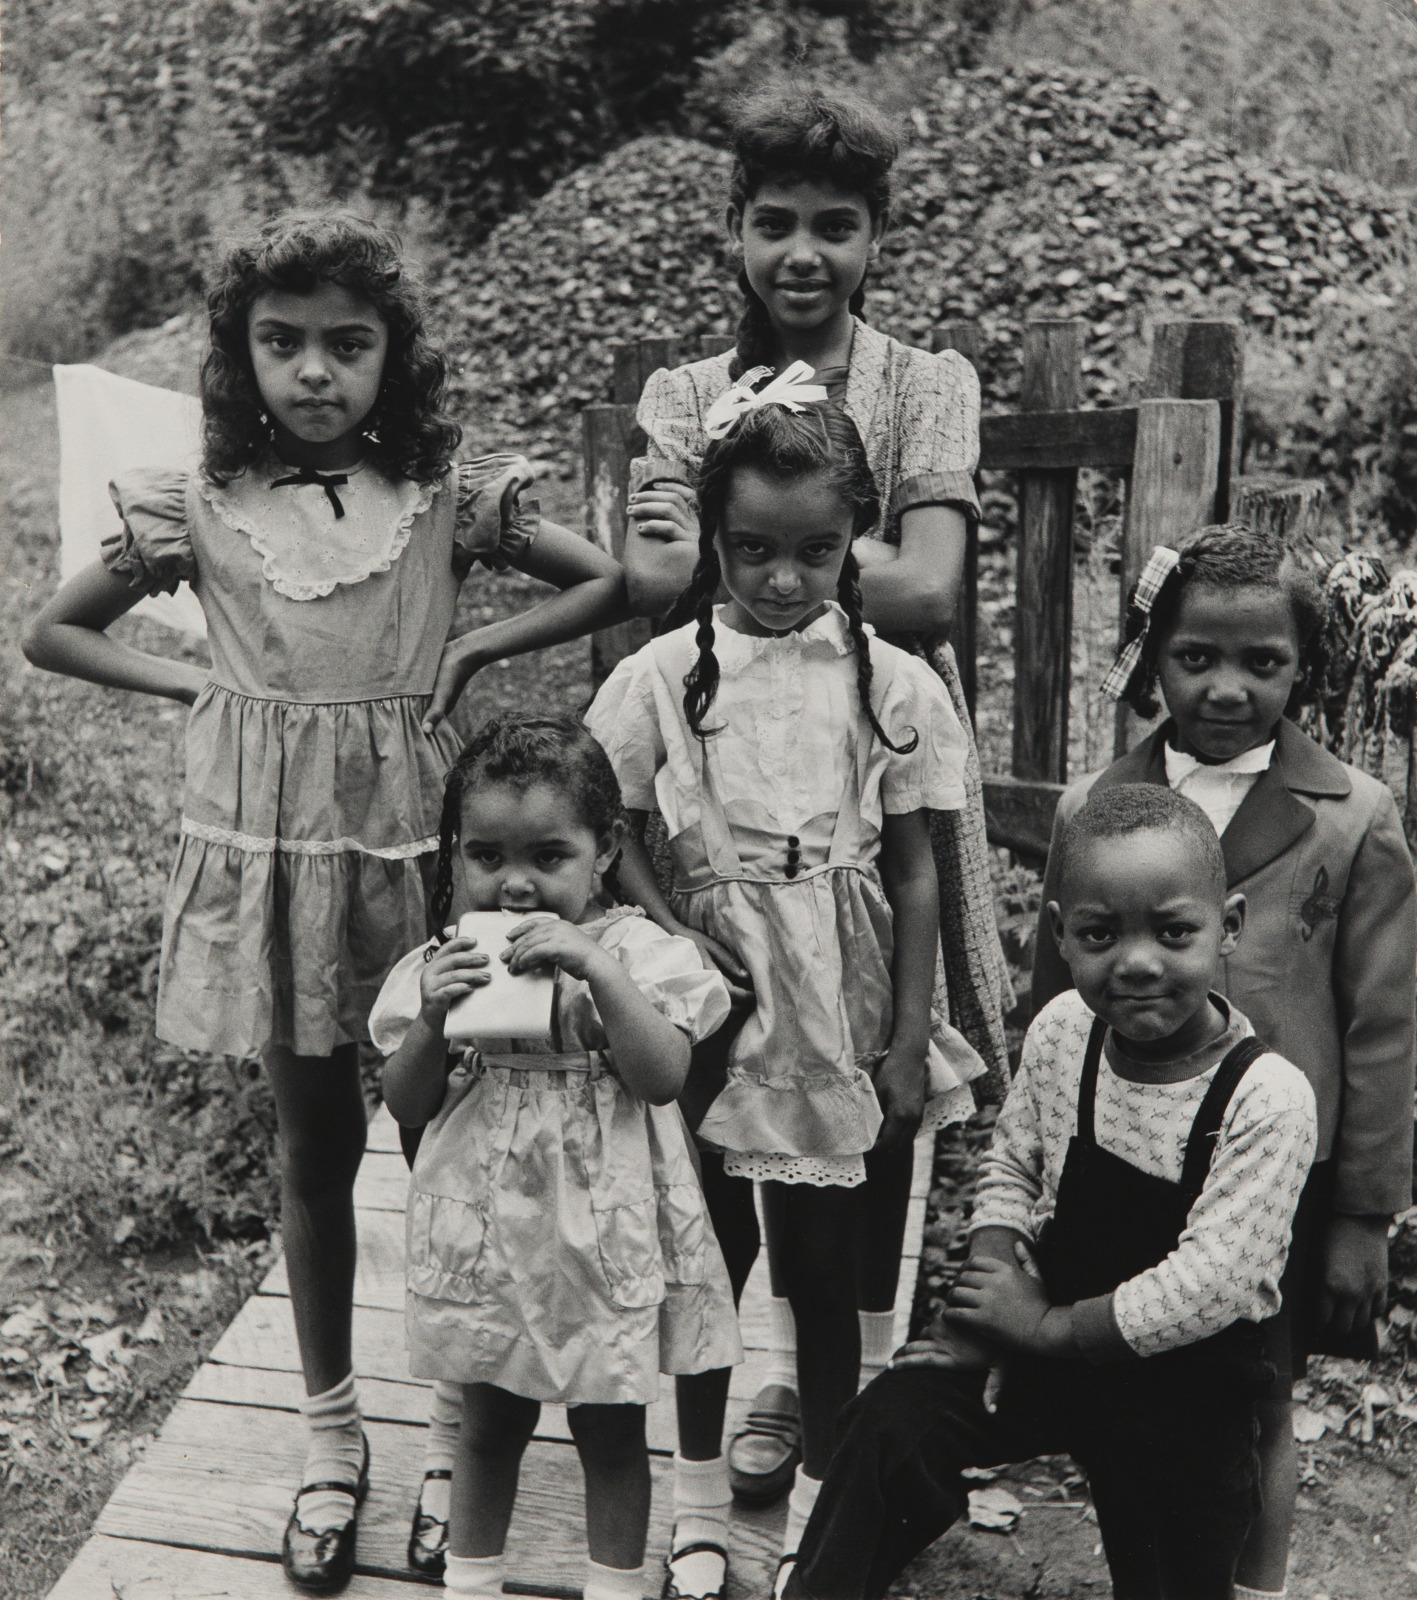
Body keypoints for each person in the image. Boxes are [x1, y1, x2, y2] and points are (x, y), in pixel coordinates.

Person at [20, 213, 625, 1594]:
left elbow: (601, 575)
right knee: (309, 1154)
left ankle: (451, 1441)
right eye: (281, 342)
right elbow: (54, 630)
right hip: (273, 861)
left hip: (410, 857)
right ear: (240, 354)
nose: (314, 373)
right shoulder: (203, 501)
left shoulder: (437, 494)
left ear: (389, 355)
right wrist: (206, 690)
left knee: (443, 1147)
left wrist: (470, 644)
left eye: (347, 345)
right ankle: (328, 1436)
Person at [616, 83, 1010, 1582]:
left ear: (874, 239)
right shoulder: (678, 388)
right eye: (772, 221)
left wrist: (772, 560)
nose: (801, 251)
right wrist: (818, 553)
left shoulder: (924, 383)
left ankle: (843, 1410)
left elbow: (925, 591)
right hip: (723, 802)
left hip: (872, 783)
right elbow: (664, 577)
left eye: (833, 226)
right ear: (732, 227)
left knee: (870, 1102)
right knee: (729, 1106)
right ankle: (755, 1402)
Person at [587, 392, 986, 1598]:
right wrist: (672, 936)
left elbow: (916, 875)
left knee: (823, 1270)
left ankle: (820, 1511)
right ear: (713, 538)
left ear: (855, 539)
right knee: (706, 1264)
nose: (779, 577)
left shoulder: (894, 682)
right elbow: (604, 829)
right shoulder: (661, 676)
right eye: (752, 549)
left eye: (814, 551)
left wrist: (909, 1039)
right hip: (712, 1008)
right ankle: (699, 1506)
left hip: (841, 1000)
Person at [785, 783, 1318, 1600]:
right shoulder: (1065, 1030)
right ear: (1061, 932)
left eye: (1174, 932)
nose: (1136, 961)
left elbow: (1208, 1286)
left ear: (1229, 929)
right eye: (1100, 933)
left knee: (1175, 1570)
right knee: (895, 1420)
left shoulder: (1265, 1098)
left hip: (1183, 1389)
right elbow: (1014, 1165)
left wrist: (1038, 1328)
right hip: (1043, 1344)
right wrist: (985, 1315)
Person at [1031, 524, 1417, 1599]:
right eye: (1195, 656)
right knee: (1139, 1388)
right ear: (1153, 655)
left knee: (1254, 1397)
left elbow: (1383, 1027)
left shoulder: (1354, 819)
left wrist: (1361, 1218)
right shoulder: (1089, 811)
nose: (1227, 686)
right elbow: (1054, 1008)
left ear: (1305, 666)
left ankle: (1255, 1588)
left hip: (1279, 1176)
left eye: (1263, 661)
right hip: (1127, 1163)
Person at [371, 715, 742, 1600]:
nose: (516, 886)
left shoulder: (642, 956)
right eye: (487, 857)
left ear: (604, 848)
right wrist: (431, 1018)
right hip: (492, 1237)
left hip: (602, 1238)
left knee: (610, 1431)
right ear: (456, 858)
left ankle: (612, 1588)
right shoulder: (448, 961)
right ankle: (471, 1584)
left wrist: (600, 975)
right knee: (488, 1425)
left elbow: (663, 1078)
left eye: (548, 855)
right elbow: (406, 1103)